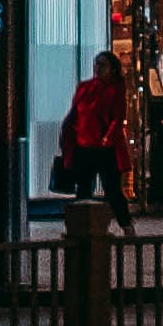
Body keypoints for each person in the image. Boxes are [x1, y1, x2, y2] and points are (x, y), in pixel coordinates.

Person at [51, 51, 131, 209]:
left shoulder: (115, 89)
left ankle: (125, 223)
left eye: (102, 64)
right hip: (84, 145)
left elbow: (117, 117)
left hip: (106, 148)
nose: (97, 67)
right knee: (83, 189)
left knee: (112, 190)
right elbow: (75, 114)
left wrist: (106, 138)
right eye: (96, 63)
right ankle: (84, 226)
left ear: (112, 68)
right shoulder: (85, 88)